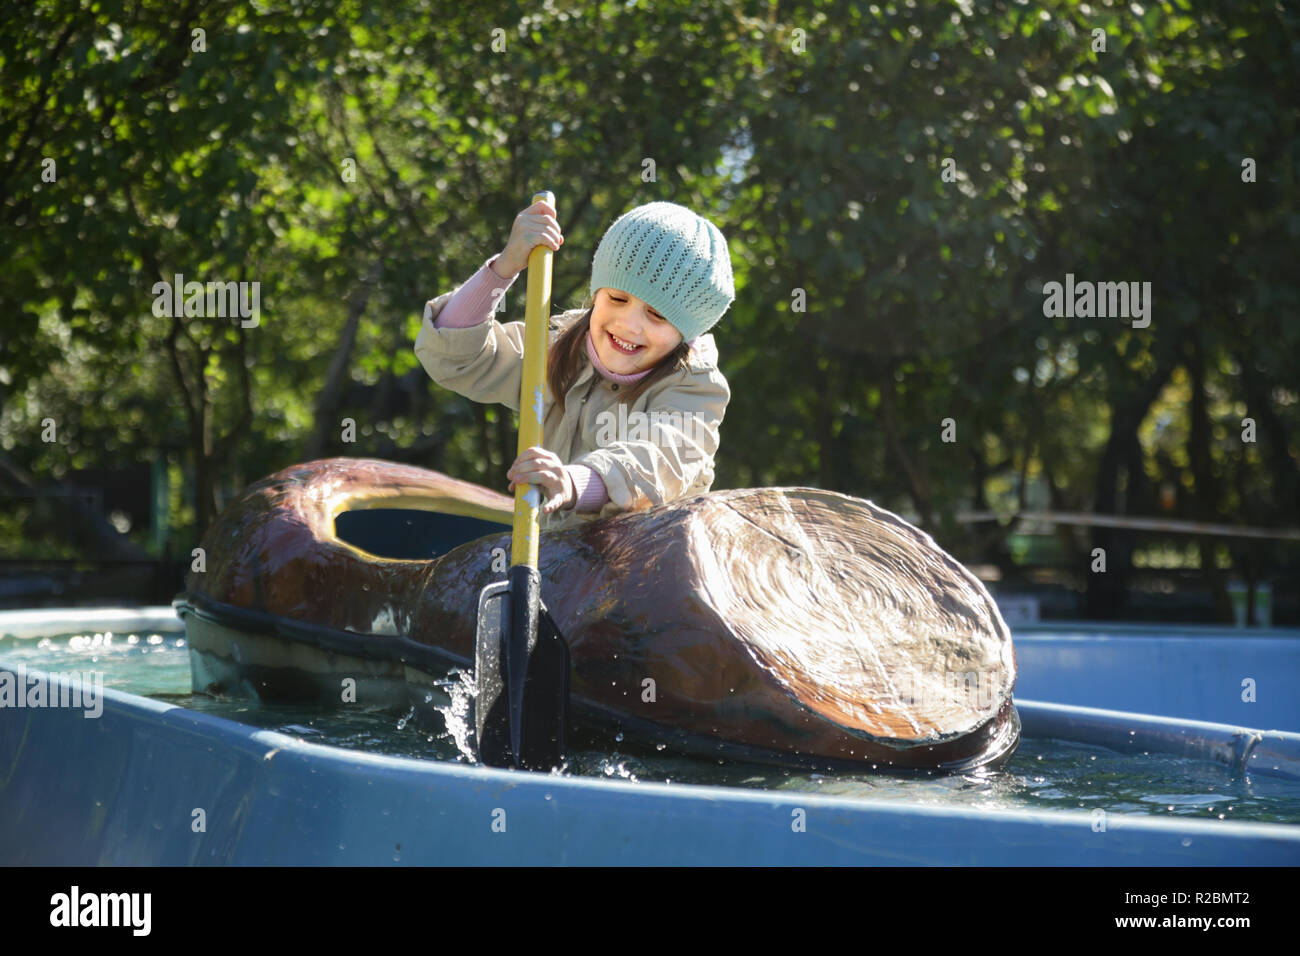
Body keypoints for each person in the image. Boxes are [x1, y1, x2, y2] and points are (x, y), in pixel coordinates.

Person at [414, 199, 734, 532]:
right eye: (617, 299)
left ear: (685, 332)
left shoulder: (695, 387)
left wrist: (573, 481)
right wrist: (505, 267)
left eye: (656, 315)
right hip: (555, 563)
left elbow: (659, 458)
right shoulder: (555, 346)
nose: (629, 325)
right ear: (597, 293)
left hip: (648, 569)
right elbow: (455, 357)